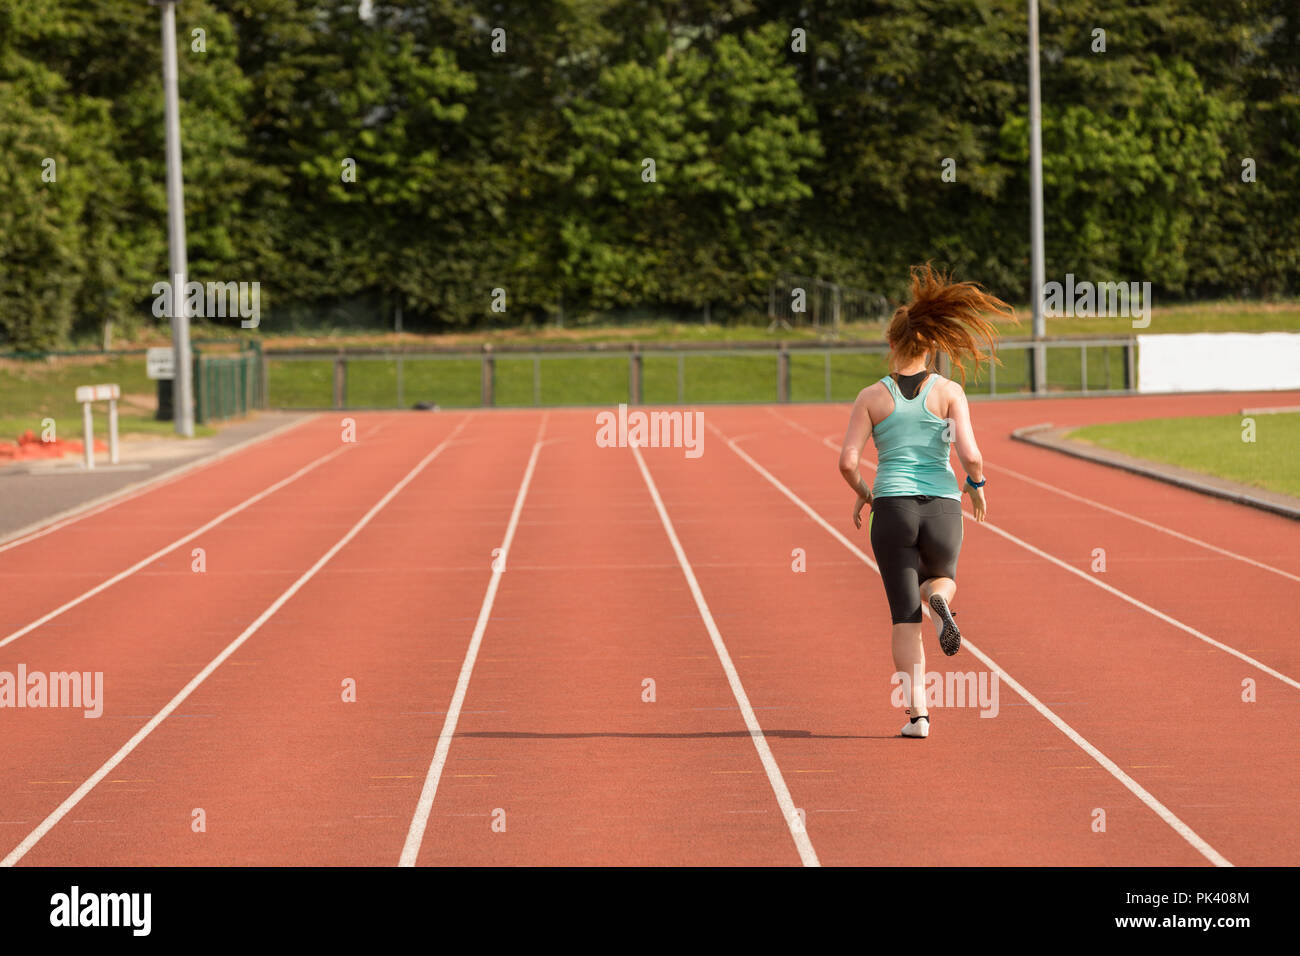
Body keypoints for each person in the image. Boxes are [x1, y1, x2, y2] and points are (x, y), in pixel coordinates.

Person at [837, 264, 1013, 739]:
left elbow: (848, 461)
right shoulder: (950, 392)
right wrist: (976, 486)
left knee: (902, 617)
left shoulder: (872, 396)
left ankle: (919, 717)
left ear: (891, 344)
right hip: (941, 505)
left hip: (892, 507)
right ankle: (941, 600)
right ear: (931, 345)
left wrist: (865, 495)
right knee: (941, 579)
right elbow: (972, 455)